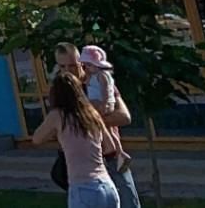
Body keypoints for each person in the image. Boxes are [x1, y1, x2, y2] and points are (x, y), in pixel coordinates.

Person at [56, 43, 141, 208]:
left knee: (128, 202)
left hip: (111, 156)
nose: (68, 70)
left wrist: (84, 120)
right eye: (62, 66)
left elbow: (124, 116)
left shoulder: (99, 80)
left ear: (82, 63)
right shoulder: (62, 92)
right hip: (83, 165)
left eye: (73, 65)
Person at [32, 72, 119, 208]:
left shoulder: (58, 116)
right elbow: (110, 147)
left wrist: (59, 137)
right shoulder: (92, 114)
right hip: (107, 185)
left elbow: (37, 139)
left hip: (83, 187)